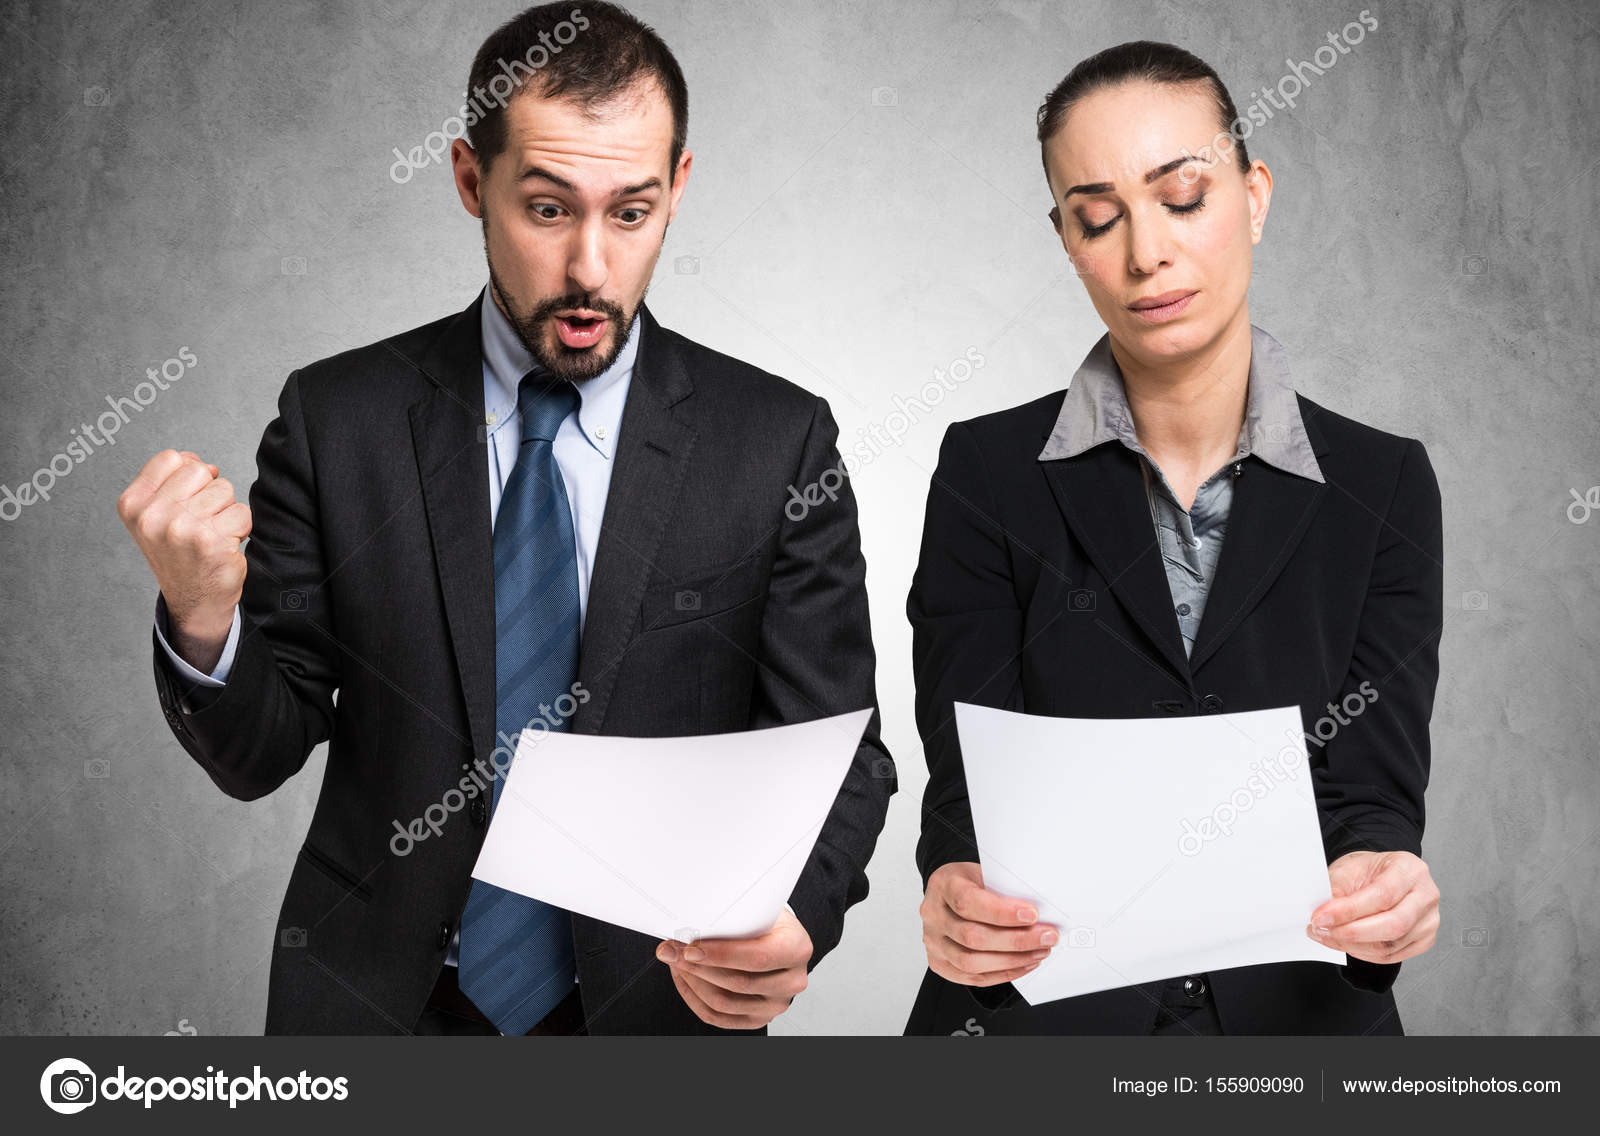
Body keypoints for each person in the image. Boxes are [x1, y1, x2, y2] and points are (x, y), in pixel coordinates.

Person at [118, 1, 893, 1036]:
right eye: (545, 207)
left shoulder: (775, 444)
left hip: (657, 1017)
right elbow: (260, 749)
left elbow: (840, 751)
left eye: (631, 211)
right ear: (469, 181)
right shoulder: (335, 420)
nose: (588, 268)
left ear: (679, 192)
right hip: (377, 1010)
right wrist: (205, 615)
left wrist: (799, 915)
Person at [903, 41, 1442, 1035]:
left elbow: (1372, 794)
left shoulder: (1384, 482)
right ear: (1067, 238)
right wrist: (954, 890)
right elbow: (968, 787)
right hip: (1032, 1024)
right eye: (1097, 216)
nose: (1143, 251)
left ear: (1253, 195)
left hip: (1300, 1025)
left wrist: (1383, 882)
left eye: (1182, 195)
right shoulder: (983, 472)